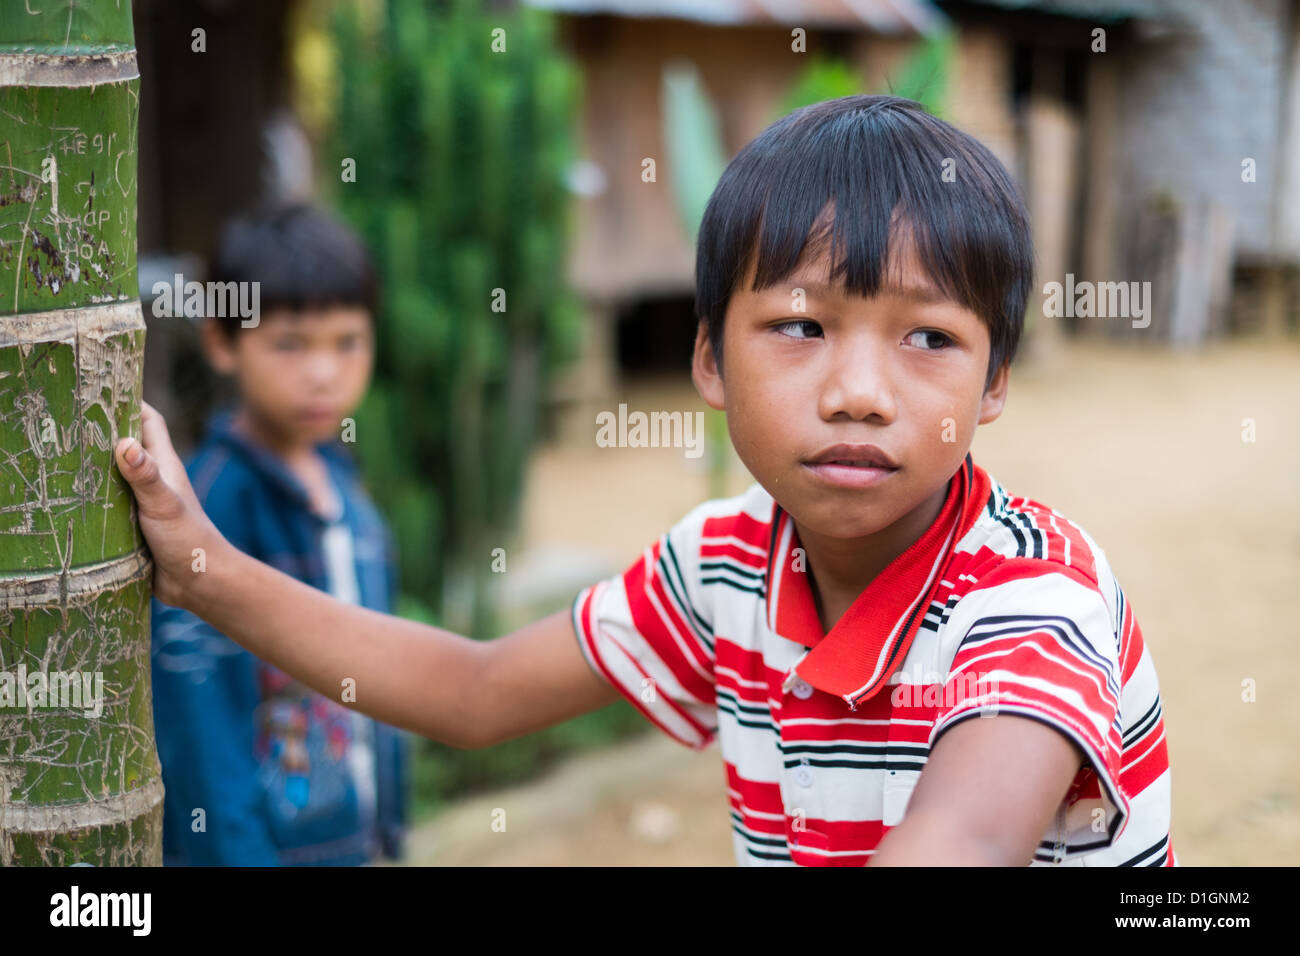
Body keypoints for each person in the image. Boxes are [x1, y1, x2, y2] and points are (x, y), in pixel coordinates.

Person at [120, 96, 1174, 866]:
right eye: (800, 326)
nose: (859, 391)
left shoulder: (1033, 597)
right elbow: (475, 690)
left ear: (993, 382)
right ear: (709, 358)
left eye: (928, 337)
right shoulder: (721, 565)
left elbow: (964, 839)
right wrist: (202, 566)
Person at [148, 204, 409, 865]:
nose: (323, 372)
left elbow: (385, 668)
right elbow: (201, 730)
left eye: (347, 341)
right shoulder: (208, 510)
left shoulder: (346, 488)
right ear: (221, 341)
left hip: (354, 841)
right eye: (291, 344)